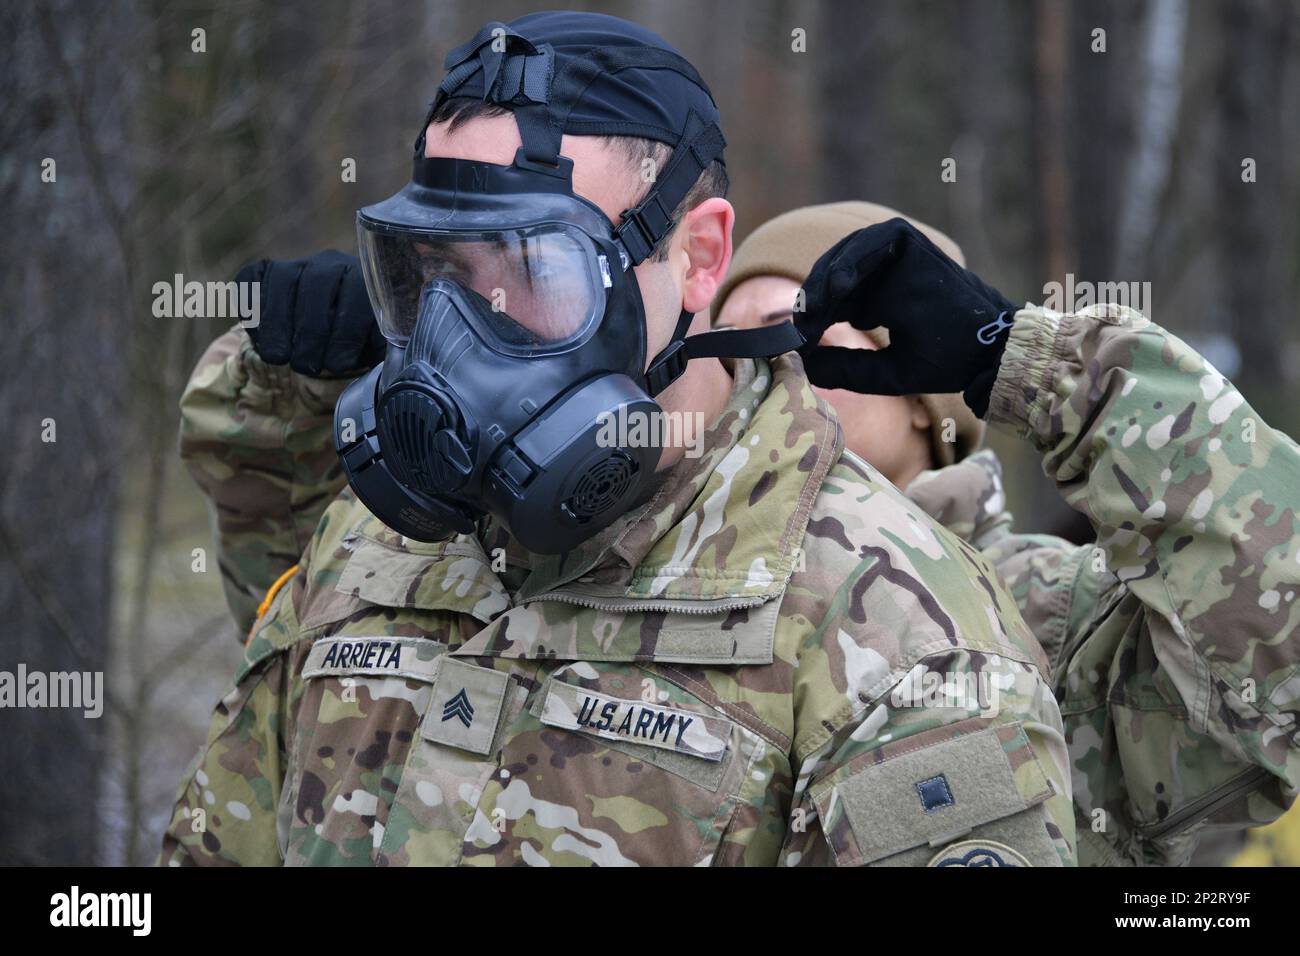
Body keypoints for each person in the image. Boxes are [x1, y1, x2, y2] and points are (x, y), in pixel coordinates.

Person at [161, 11, 1072, 867]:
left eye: (532, 267)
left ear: (700, 258)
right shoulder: (371, 542)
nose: (464, 332)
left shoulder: (896, 632)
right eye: (435, 270)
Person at [716, 203, 1300, 866]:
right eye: (720, 346)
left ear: (918, 394)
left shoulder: (1050, 619)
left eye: (790, 335)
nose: (749, 374)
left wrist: (1030, 362)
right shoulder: (643, 610)